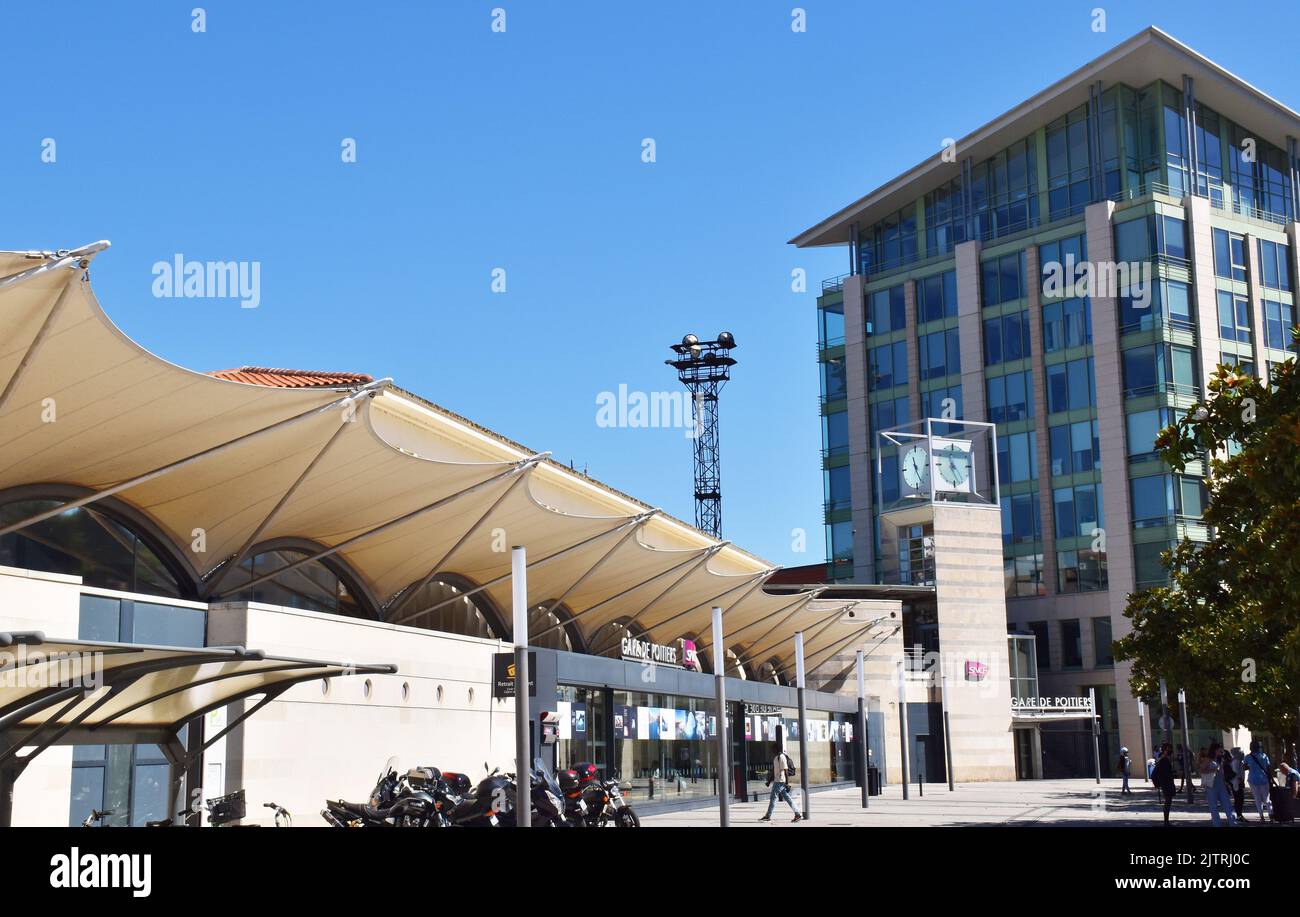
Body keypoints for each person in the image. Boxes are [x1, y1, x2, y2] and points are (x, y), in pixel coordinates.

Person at [759, 734, 802, 823]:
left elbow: (785, 770)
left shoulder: (781, 757)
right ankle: (797, 814)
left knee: (773, 798)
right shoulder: (776, 758)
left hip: (780, 781)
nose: (772, 750)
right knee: (787, 798)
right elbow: (775, 771)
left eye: (773, 749)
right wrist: (769, 781)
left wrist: (787, 783)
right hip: (777, 780)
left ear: (776, 749)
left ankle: (768, 816)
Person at [1203, 743, 1237, 827]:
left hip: (1221, 784)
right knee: (1213, 807)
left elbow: (1223, 773)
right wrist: (1212, 770)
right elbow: (1202, 770)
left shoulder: (1220, 759)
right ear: (1215, 750)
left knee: (1227, 805)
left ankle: (1233, 823)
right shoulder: (1208, 759)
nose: (1221, 751)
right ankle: (1217, 824)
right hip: (1211, 785)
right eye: (1219, 750)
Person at [1244, 739, 1273, 822]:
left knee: (1257, 799)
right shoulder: (1264, 756)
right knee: (1267, 798)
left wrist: (1251, 766)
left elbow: (1245, 768)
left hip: (1253, 779)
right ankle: (1271, 815)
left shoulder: (1248, 757)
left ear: (1251, 748)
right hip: (1264, 779)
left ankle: (1262, 816)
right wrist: (1271, 779)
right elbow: (1268, 768)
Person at [1152, 744, 1177, 826]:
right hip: (1166, 783)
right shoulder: (1164, 760)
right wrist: (1174, 774)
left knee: (1168, 802)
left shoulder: (1164, 759)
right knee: (1168, 802)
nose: (1170, 751)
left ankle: (1166, 821)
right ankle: (1166, 821)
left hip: (1166, 783)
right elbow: (1165, 773)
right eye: (1168, 749)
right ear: (1165, 750)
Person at [1228, 747, 1246, 821]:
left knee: (1240, 799)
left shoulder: (1239, 761)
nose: (1243, 754)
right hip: (1237, 783)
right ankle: (1239, 815)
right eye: (1241, 752)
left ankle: (1239, 814)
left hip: (1238, 782)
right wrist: (1240, 780)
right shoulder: (1236, 761)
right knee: (1239, 799)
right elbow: (1236, 773)